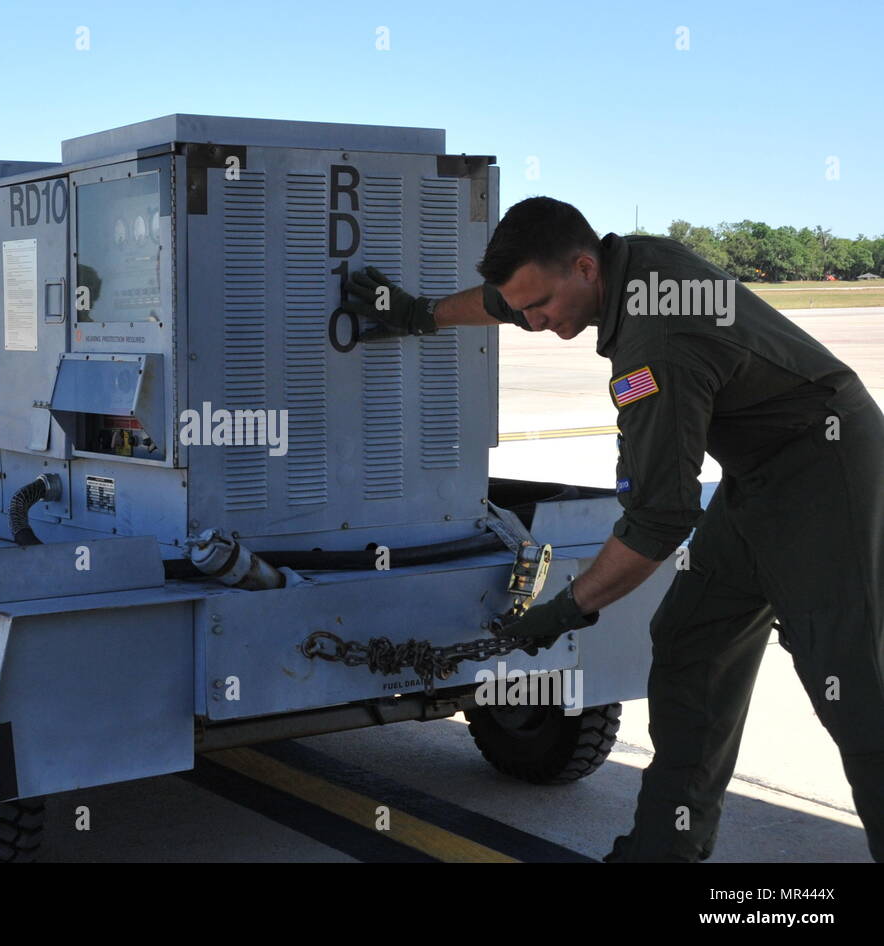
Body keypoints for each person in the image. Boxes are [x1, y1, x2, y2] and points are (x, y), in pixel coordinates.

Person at [342, 197, 884, 862]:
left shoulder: (654, 348)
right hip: (761, 474)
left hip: (827, 474)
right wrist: (419, 313)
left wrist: (568, 609)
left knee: (853, 682)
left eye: (539, 306)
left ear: (583, 268)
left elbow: (658, 520)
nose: (532, 323)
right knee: (691, 645)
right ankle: (662, 851)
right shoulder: (624, 264)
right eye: (523, 310)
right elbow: (504, 298)